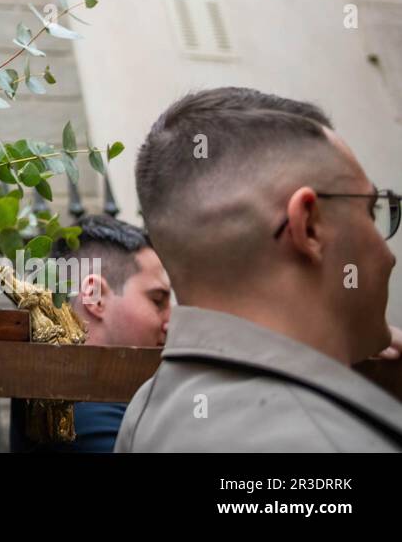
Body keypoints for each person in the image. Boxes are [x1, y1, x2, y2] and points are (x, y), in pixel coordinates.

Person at [117, 87, 402, 451]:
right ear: (309, 226)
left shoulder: (147, 410)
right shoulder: (327, 441)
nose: (387, 253)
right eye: (370, 210)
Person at [10, 213, 171, 452]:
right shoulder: (74, 404)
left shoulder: (64, 383)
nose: (170, 322)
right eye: (157, 300)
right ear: (95, 298)